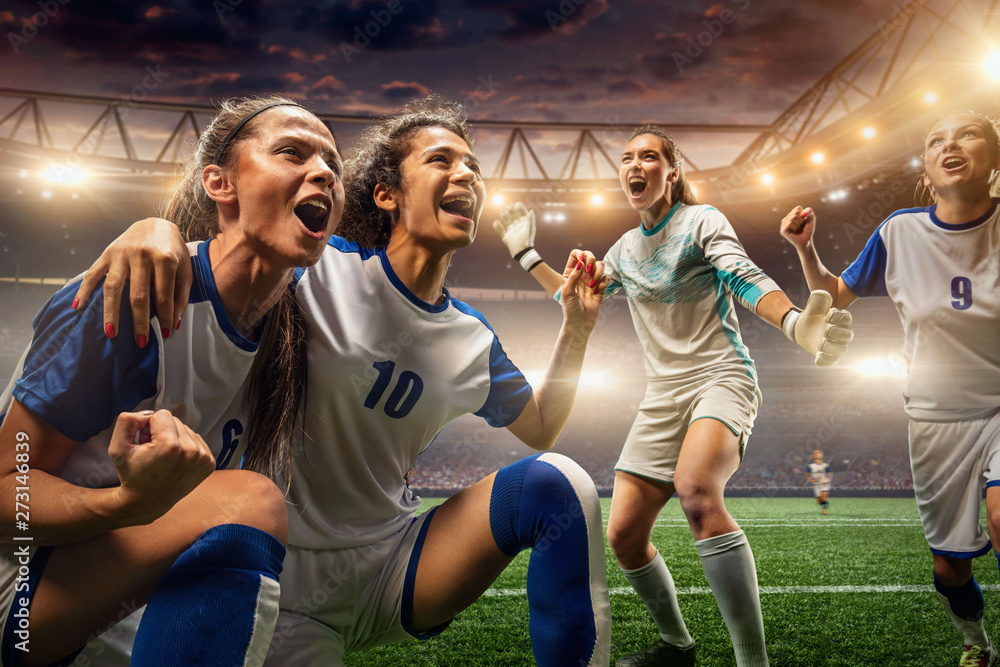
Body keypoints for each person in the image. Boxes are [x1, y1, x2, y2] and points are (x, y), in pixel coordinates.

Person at [73, 97, 613, 667]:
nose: (465, 175)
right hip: (269, 565)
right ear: (387, 195)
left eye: (472, 166)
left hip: (395, 567)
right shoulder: (315, 266)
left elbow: (543, 426)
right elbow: (233, 238)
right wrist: (152, 227)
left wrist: (577, 326)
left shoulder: (472, 339)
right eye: (441, 160)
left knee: (559, 482)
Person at [0, 95, 344, 666]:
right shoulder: (131, 305)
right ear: (220, 183)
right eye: (291, 151)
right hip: (23, 603)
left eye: (334, 164)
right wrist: (125, 503)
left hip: (125, 601)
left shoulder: (291, 336)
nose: (325, 172)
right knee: (247, 500)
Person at [493, 124, 854, 667]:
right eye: (626, 158)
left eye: (649, 157)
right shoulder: (624, 249)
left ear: (672, 171)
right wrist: (524, 253)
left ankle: (752, 663)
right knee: (623, 535)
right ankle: (677, 646)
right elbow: (574, 297)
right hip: (662, 394)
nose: (635, 166)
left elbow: (743, 276)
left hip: (721, 376)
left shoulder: (701, 221)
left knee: (696, 490)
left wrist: (796, 323)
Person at [779, 110, 1000, 667]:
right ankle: (976, 641)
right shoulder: (899, 230)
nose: (952, 144)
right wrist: (805, 248)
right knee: (950, 568)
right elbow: (834, 293)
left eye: (969, 135)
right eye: (936, 141)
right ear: (927, 169)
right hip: (935, 418)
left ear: (994, 160)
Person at [805, 449, 833, 515]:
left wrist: (828, 480)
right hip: (816, 485)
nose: (817, 454)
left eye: (818, 453)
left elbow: (830, 473)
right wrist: (811, 480)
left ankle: (825, 510)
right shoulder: (810, 466)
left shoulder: (825, 465)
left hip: (824, 483)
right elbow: (808, 475)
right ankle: (825, 503)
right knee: (820, 501)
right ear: (813, 455)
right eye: (815, 453)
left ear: (821, 455)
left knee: (823, 497)